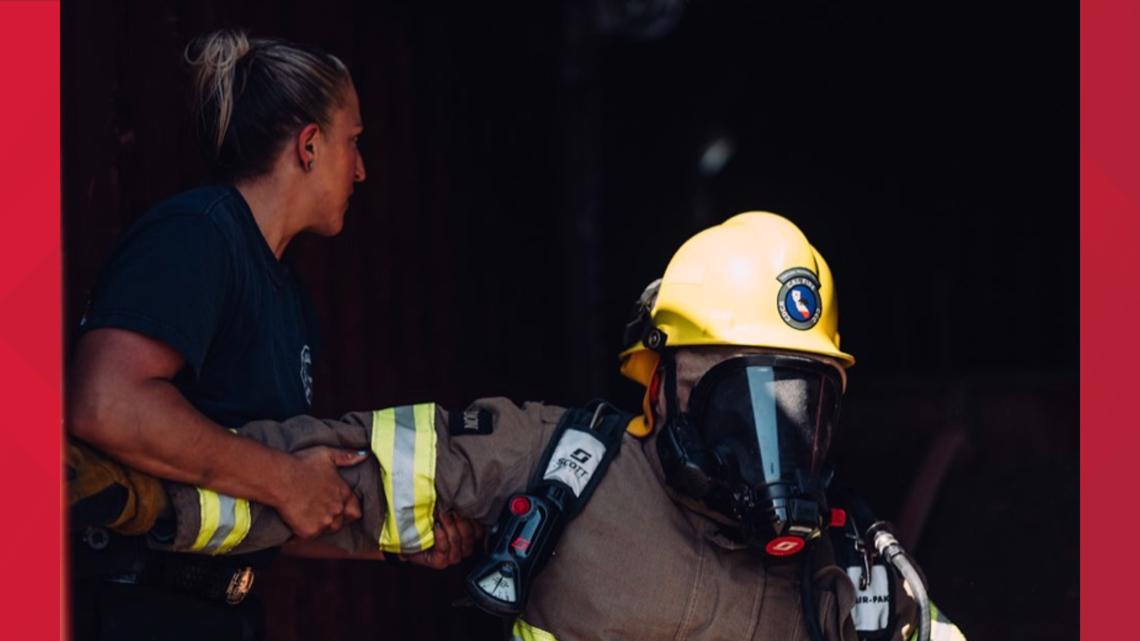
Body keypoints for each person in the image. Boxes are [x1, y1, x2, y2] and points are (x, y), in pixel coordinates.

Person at [124, 212, 968, 641]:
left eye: (800, 405)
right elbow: (331, 481)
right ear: (660, 384)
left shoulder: (850, 570)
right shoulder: (566, 466)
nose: (773, 439)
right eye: (741, 396)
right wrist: (142, 497)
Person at [66, 29, 477, 641]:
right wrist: (285, 478)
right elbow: (105, 402)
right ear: (309, 146)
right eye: (353, 143)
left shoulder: (290, 301)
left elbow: (269, 505)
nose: (361, 170)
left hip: (224, 615)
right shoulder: (198, 236)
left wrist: (390, 547)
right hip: (136, 608)